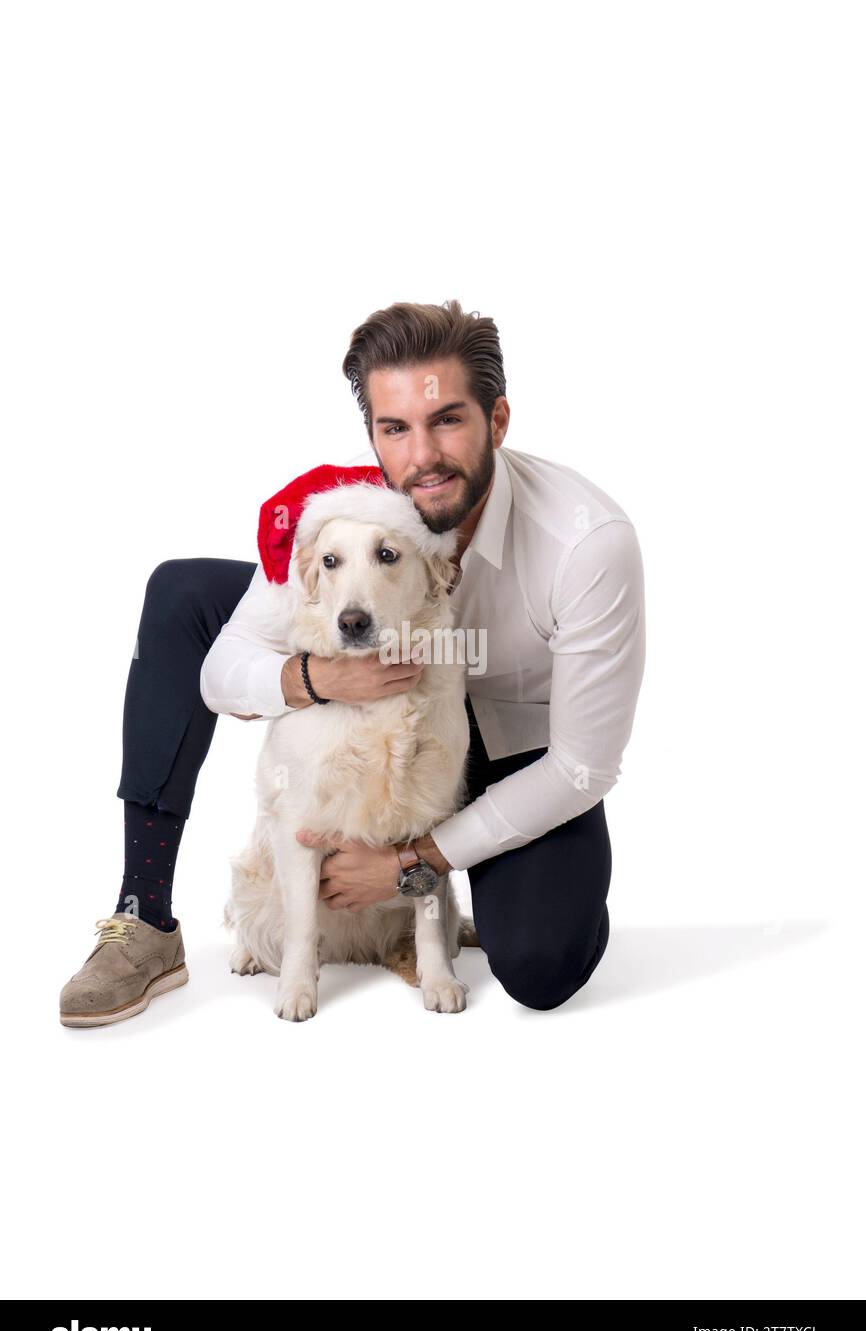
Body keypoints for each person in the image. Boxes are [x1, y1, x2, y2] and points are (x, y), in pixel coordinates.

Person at [59, 299, 646, 1026]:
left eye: (447, 420)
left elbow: (585, 764)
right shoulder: (354, 512)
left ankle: (461, 903)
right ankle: (143, 913)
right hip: (371, 695)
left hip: (508, 743)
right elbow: (222, 672)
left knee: (539, 962)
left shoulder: (586, 544)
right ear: (373, 434)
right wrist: (314, 679)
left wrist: (415, 860)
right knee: (182, 593)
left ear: (497, 420)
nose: (421, 457)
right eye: (395, 428)